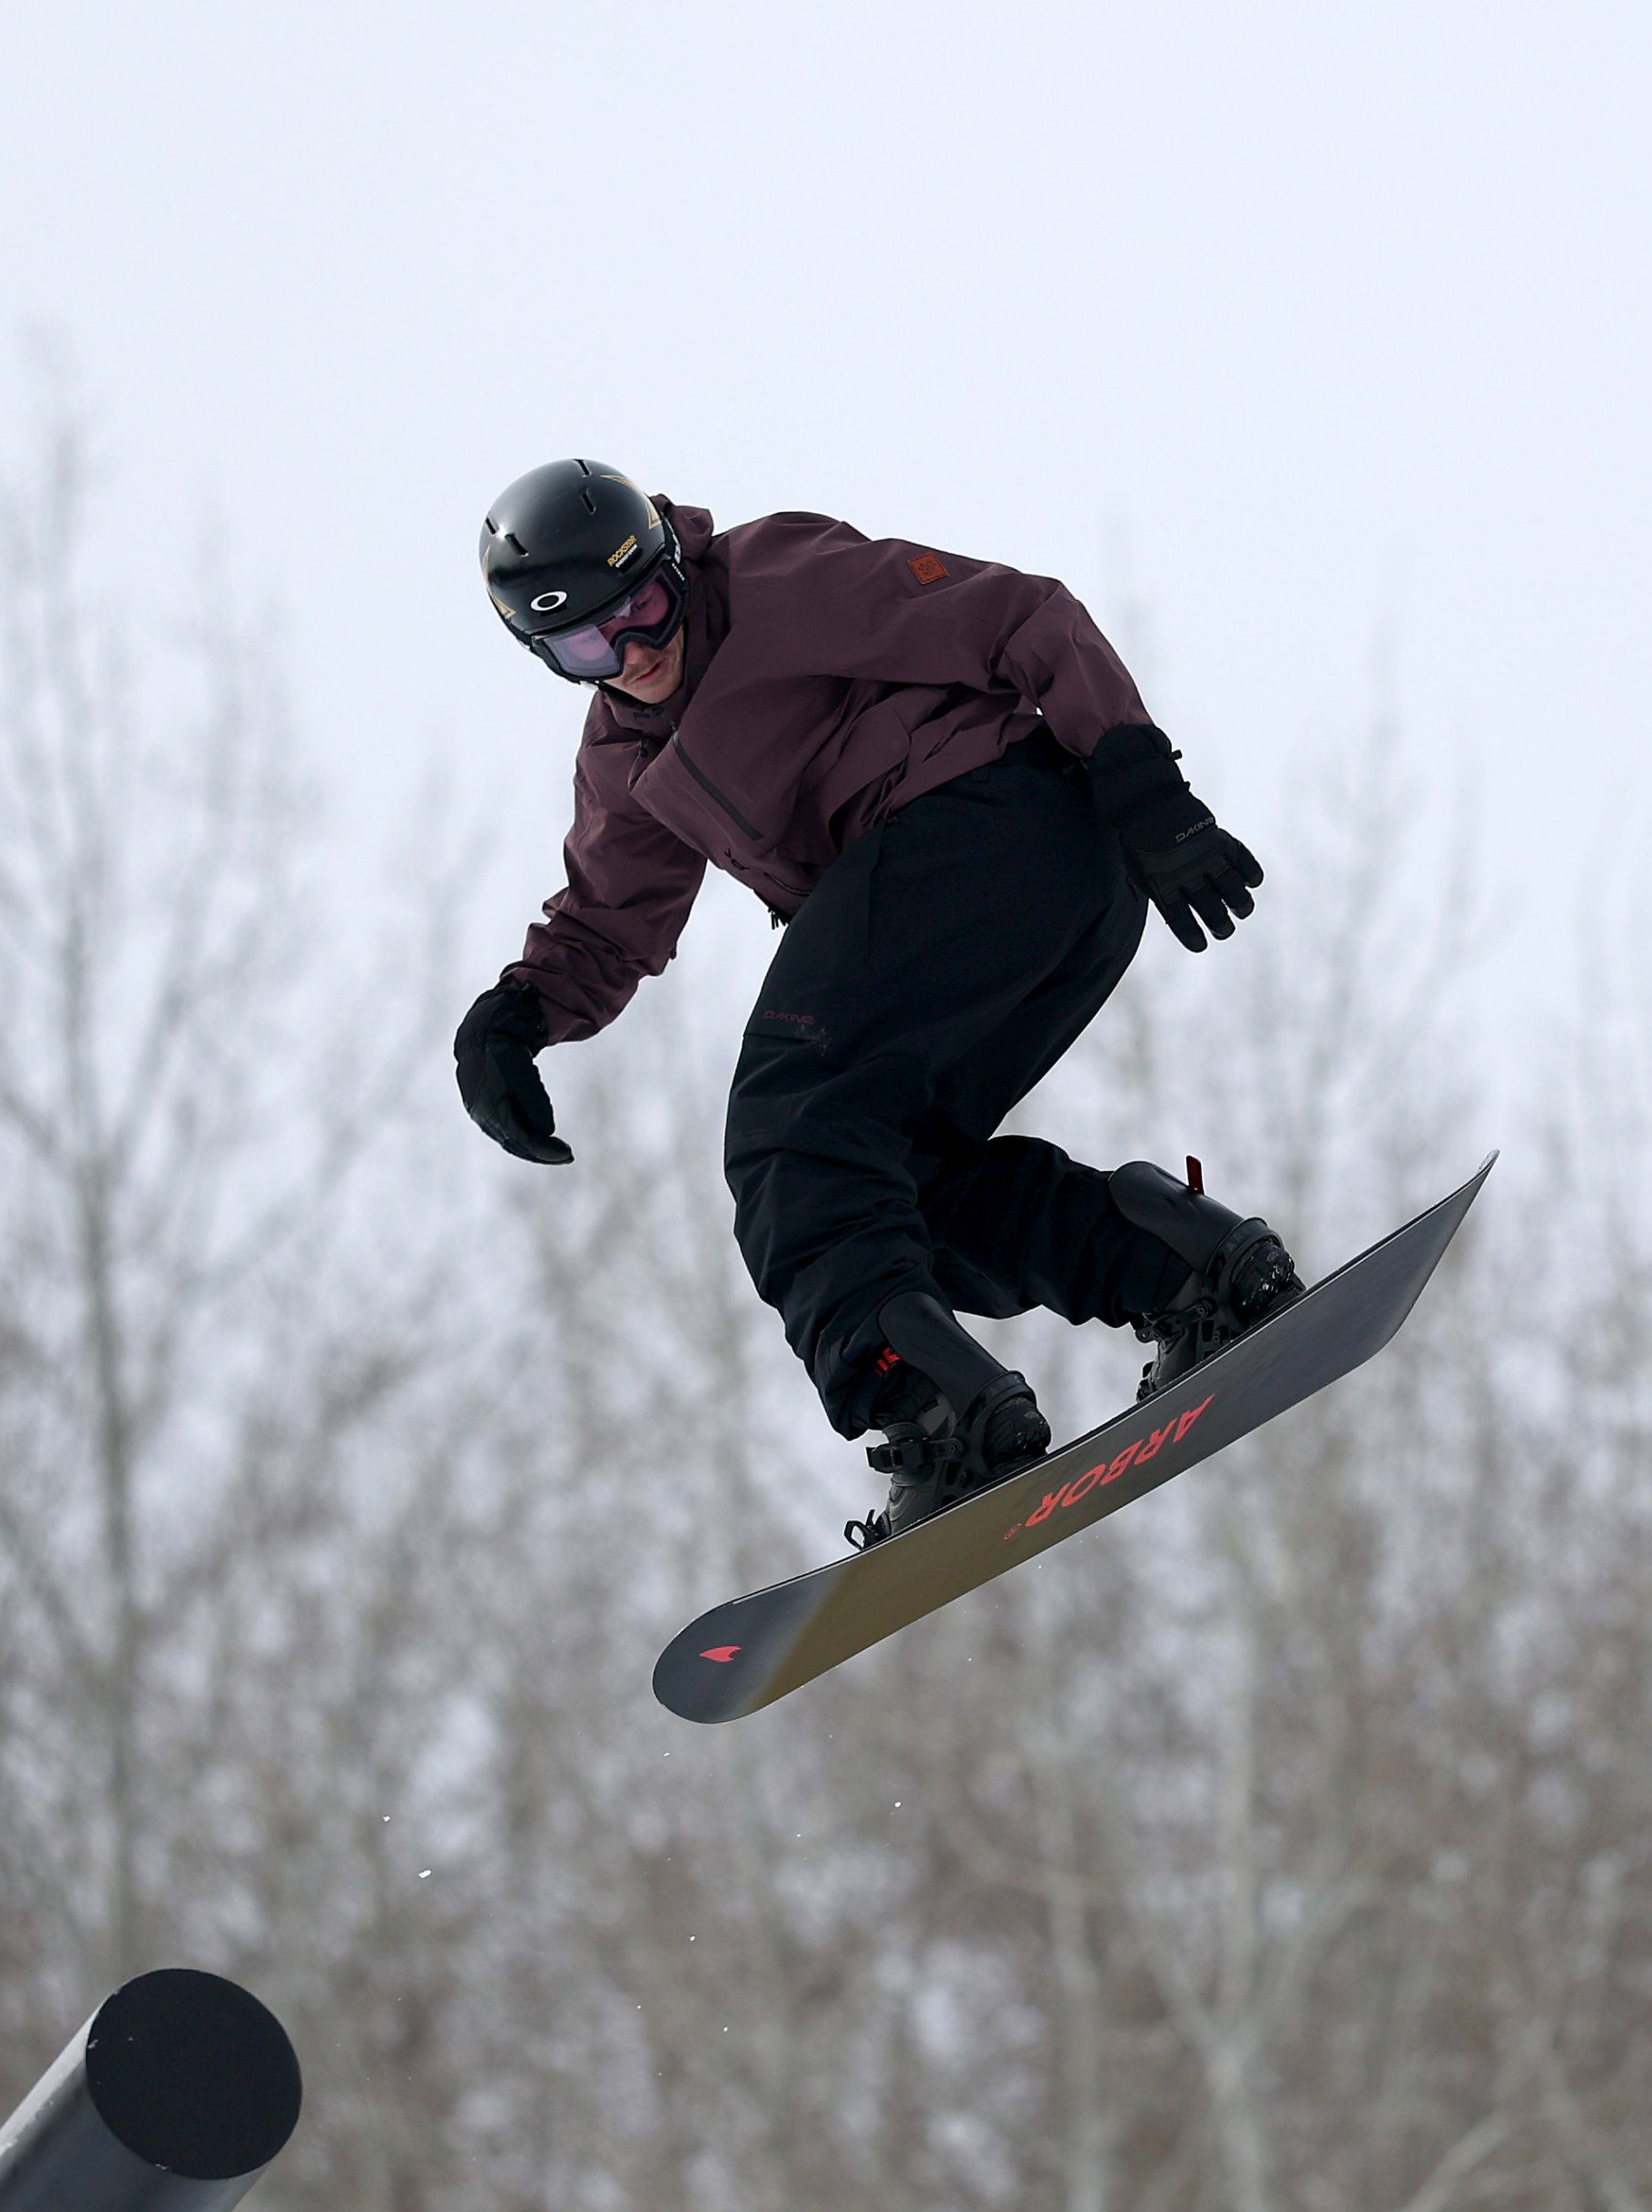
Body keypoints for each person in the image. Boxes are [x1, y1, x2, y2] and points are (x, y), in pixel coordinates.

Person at [454, 459, 1305, 1546]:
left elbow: (1019, 617)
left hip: (994, 828)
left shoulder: (772, 578)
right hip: (1003, 909)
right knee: (893, 1192)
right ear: (550, 656)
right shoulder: (625, 754)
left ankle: (934, 1407)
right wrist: (516, 1020)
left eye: (648, 608)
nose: (634, 652)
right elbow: (609, 916)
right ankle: (1187, 1271)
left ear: (673, 564)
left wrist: (1143, 779)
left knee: (788, 1135)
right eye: (586, 646)